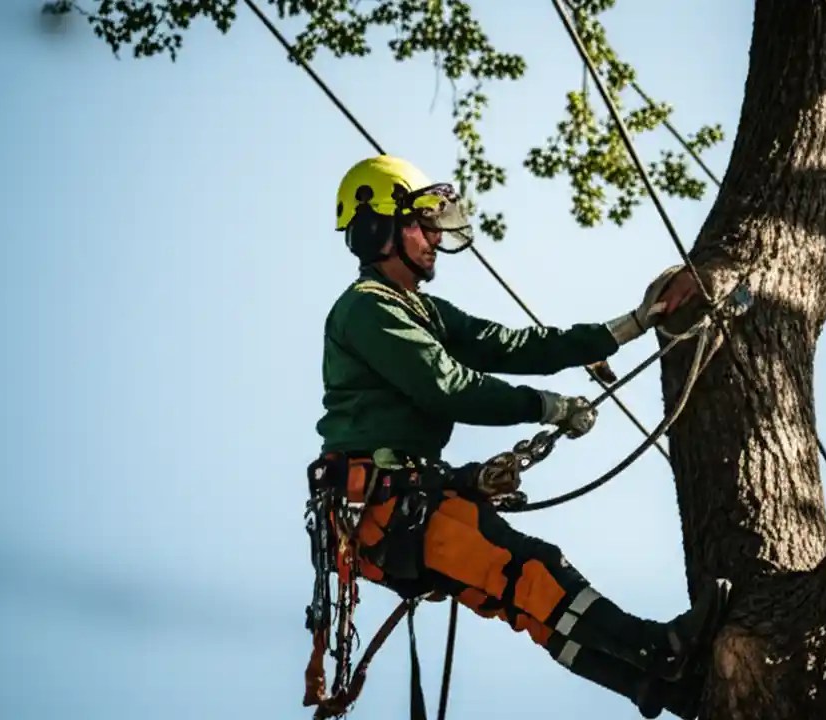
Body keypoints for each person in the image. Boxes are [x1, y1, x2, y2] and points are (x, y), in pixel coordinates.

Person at [309, 155, 730, 718]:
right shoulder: (366, 309)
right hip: (386, 506)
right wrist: (547, 407)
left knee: (525, 601)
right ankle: (661, 650)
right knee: (531, 571)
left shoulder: (422, 310)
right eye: (422, 223)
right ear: (380, 225)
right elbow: (448, 387)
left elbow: (510, 345)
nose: (435, 237)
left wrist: (628, 326)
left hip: (408, 501)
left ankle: (655, 688)